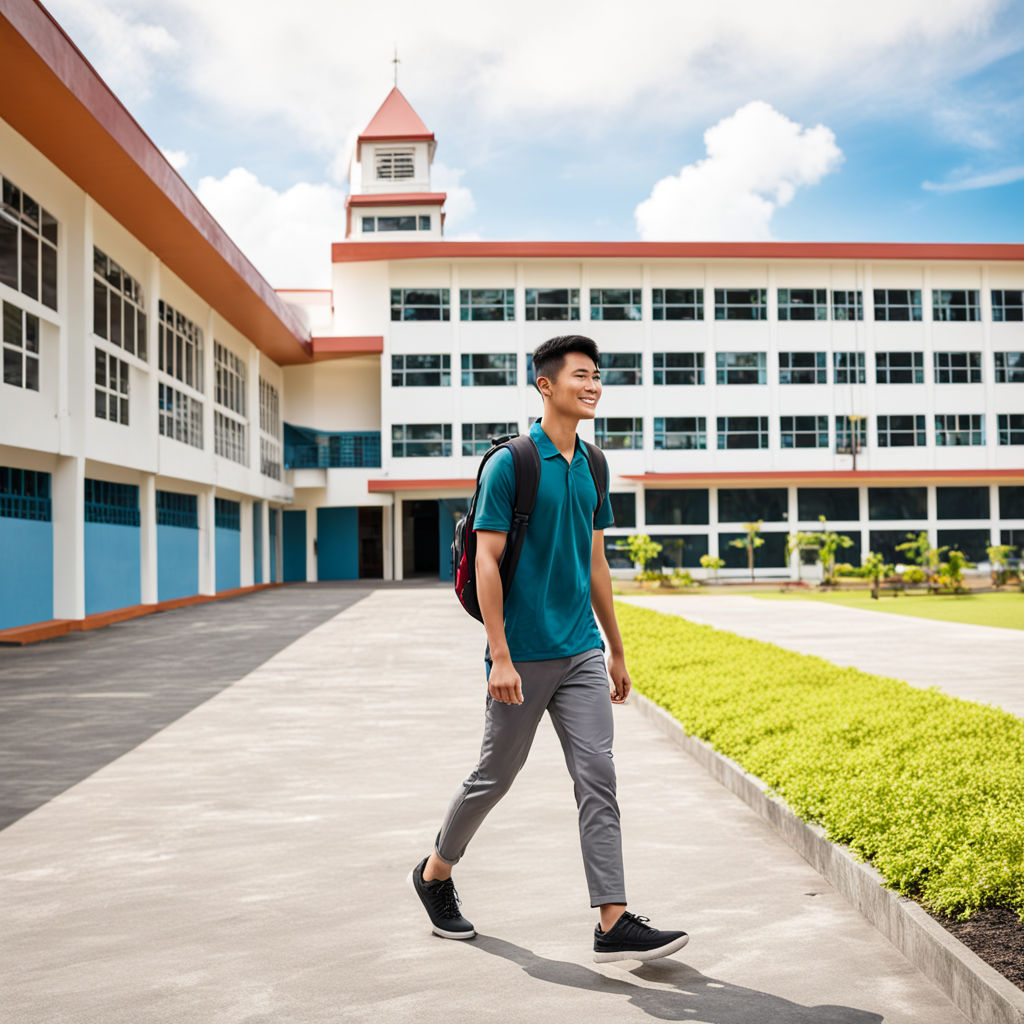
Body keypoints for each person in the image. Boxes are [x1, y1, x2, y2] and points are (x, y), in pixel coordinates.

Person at [409, 334, 689, 963]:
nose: (593, 386)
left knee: (598, 777)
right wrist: (500, 654)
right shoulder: (511, 463)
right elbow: (486, 558)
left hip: (582, 651)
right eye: (582, 375)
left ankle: (612, 921)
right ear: (546, 385)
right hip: (522, 655)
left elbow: (596, 561)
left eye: (598, 376)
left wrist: (615, 648)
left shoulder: (594, 464)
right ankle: (434, 875)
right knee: (494, 777)